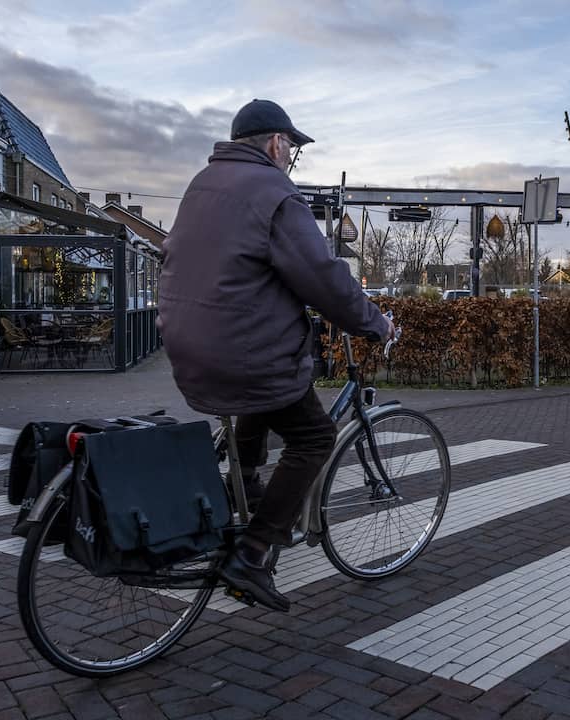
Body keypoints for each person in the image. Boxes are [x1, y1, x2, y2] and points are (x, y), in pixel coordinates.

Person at [157, 99, 393, 612]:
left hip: (183, 340)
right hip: (238, 348)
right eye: (292, 149)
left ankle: (240, 485)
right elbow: (323, 275)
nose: (290, 159)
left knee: (263, 398)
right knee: (314, 437)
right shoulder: (274, 192)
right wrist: (375, 323)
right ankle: (253, 552)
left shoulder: (202, 184)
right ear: (275, 143)